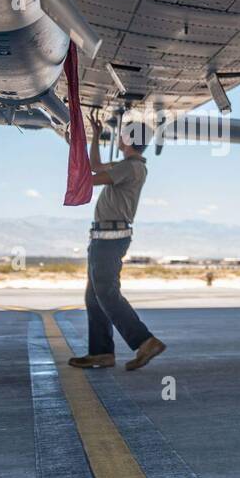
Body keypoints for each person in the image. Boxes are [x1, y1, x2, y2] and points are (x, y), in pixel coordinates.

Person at [68, 110, 166, 371]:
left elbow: (90, 179)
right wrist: (95, 138)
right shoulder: (128, 165)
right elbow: (95, 167)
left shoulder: (130, 167)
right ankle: (101, 353)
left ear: (129, 139)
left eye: (122, 135)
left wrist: (74, 154)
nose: (119, 138)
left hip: (110, 238)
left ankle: (144, 341)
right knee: (94, 296)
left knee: (107, 292)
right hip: (104, 236)